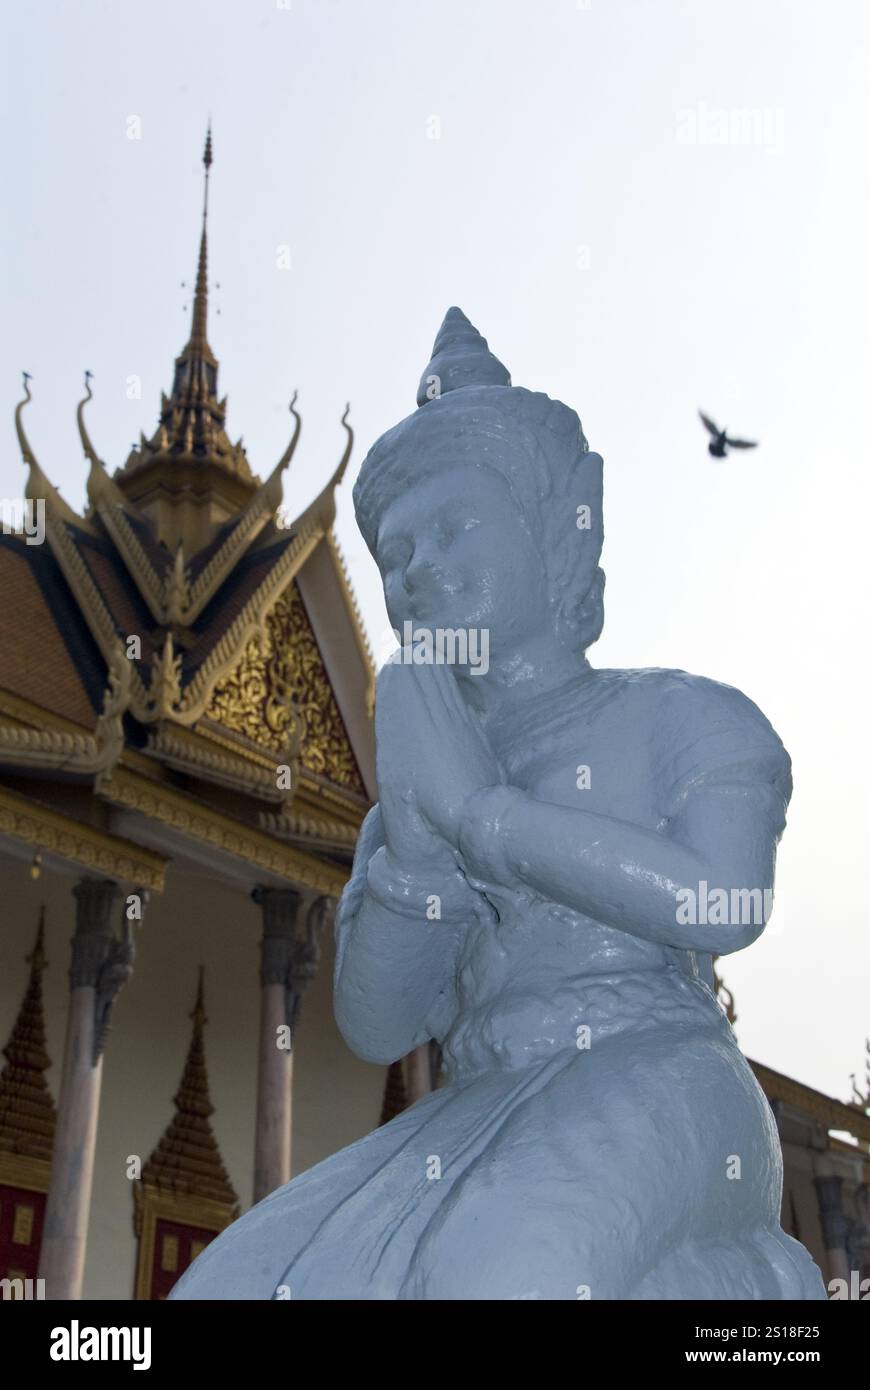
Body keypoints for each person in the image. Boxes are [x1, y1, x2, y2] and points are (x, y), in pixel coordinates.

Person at [171, 308, 826, 1300]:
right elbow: (381, 1026)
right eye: (395, 554)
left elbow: (721, 904)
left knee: (500, 1277)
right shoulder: (430, 770)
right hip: (481, 1096)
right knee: (234, 1283)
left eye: (450, 528)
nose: (417, 567)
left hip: (659, 1069)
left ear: (556, 530)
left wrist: (487, 821)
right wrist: (421, 847)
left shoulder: (680, 715)